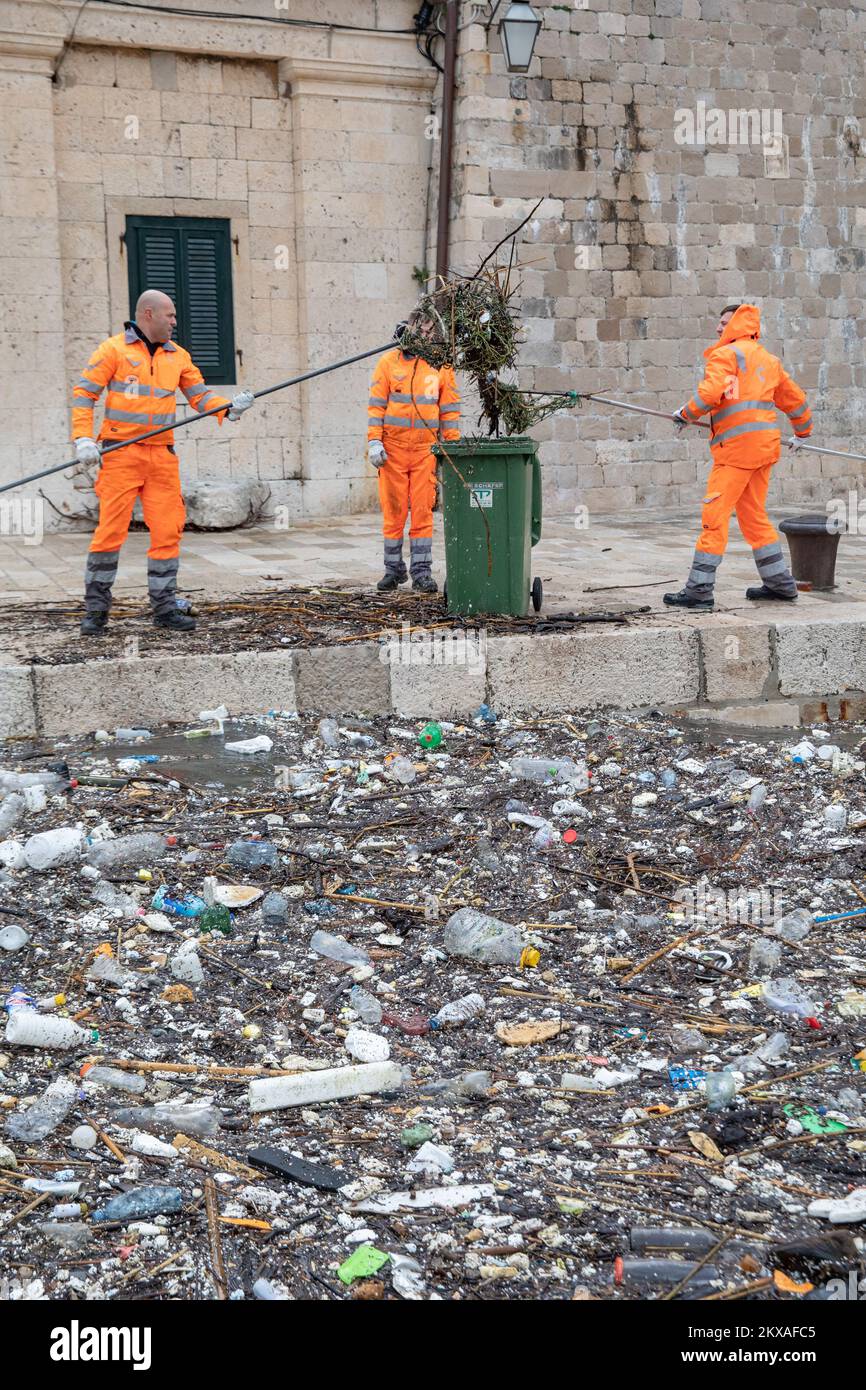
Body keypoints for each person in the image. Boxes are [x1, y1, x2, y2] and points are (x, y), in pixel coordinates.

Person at [71, 289, 255, 635]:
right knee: (110, 532)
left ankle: (165, 608)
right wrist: (82, 438)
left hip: (161, 456)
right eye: (170, 315)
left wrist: (230, 408)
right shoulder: (112, 351)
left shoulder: (178, 356)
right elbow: (84, 393)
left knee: (168, 530)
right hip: (120, 453)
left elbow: (200, 396)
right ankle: (96, 612)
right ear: (148, 315)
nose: (175, 322)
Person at [663, 302, 812, 611]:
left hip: (735, 453)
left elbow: (709, 394)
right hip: (764, 449)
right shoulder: (768, 360)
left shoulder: (726, 355)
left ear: (738, 325)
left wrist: (684, 414)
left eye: (724, 323)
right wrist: (802, 433)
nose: (718, 328)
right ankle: (781, 585)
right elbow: (794, 400)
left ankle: (699, 590)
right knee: (754, 516)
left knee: (714, 517)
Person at [367, 318, 461, 592]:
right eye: (419, 331)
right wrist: (374, 442)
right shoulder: (388, 363)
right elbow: (376, 406)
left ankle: (421, 572)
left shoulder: (441, 366)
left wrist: (451, 448)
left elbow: (450, 411)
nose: (423, 335)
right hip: (392, 453)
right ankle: (393, 570)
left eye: (427, 331)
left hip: (425, 452)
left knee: (422, 512)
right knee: (393, 512)